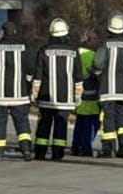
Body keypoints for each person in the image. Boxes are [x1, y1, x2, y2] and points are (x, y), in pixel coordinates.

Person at [31, 18, 83, 161]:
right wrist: (78, 96)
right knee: (61, 124)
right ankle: (58, 153)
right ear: (66, 34)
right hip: (66, 98)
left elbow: (38, 76)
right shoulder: (74, 52)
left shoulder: (44, 50)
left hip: (46, 97)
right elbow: (78, 76)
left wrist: (34, 94)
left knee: (44, 124)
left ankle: (40, 152)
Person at [91, 13, 123, 158]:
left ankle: (109, 148)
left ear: (109, 30)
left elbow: (97, 64)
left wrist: (98, 75)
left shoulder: (105, 44)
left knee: (108, 118)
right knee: (122, 119)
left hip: (107, 89)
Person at [0, 21, 33, 161]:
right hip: (20, 95)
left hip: (0, 95)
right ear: (15, 32)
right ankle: (26, 150)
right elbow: (30, 69)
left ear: (3, 32)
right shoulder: (24, 47)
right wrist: (27, 84)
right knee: (22, 123)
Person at [71, 30, 100, 157]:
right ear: (88, 40)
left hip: (78, 92)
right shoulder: (93, 55)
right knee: (91, 122)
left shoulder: (76, 53)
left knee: (80, 121)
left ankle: (76, 146)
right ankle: (86, 147)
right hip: (91, 93)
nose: (97, 41)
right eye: (95, 39)